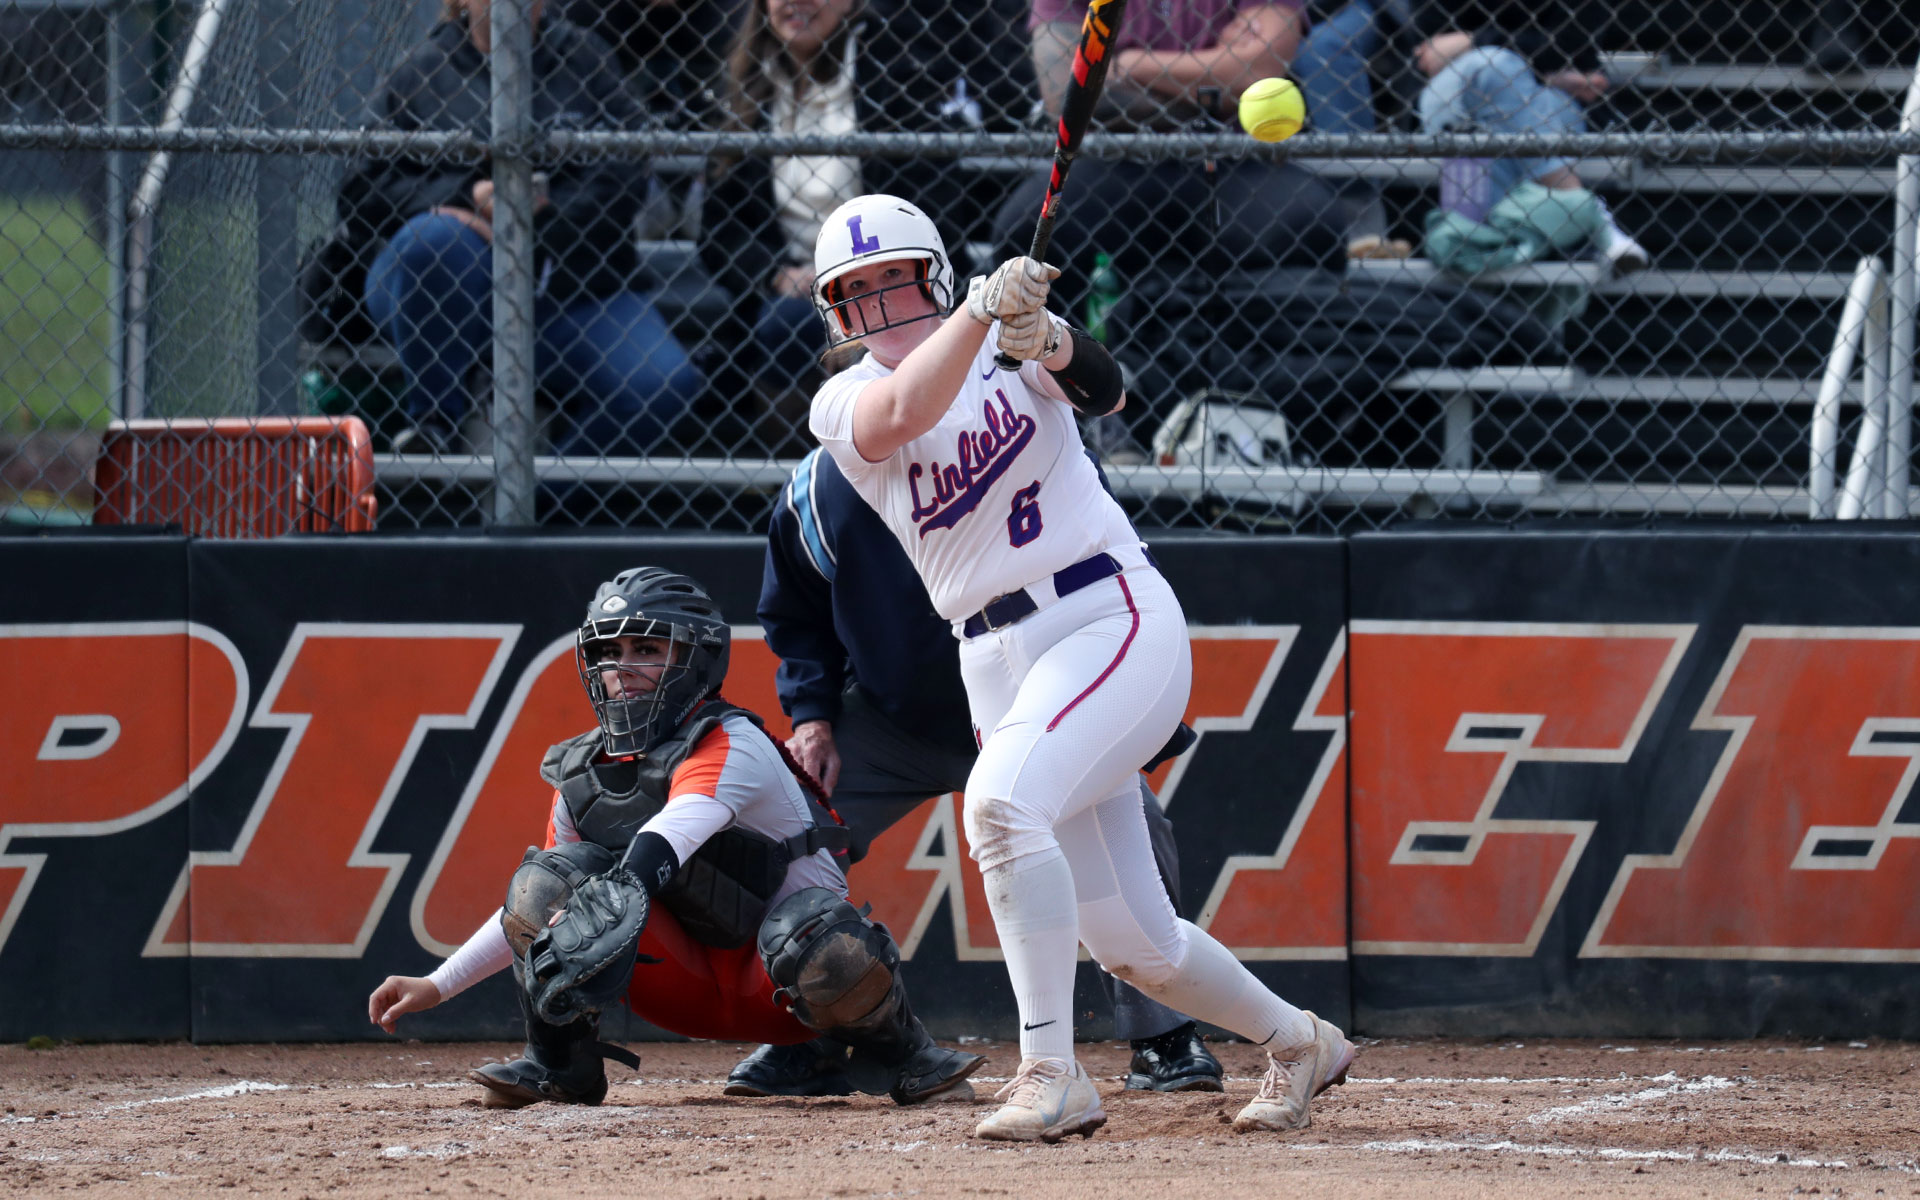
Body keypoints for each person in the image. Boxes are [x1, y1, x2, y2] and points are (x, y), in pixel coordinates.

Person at [805, 193, 1357, 1142]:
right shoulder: (842, 401)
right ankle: (1301, 1040)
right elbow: (906, 408)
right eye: (855, 292)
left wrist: (1049, 336)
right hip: (993, 655)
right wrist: (983, 317)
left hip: (1107, 615)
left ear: (929, 274)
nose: (877, 305)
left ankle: (1051, 1074)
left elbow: (1108, 392)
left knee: (998, 807)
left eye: (893, 278)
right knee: (1136, 943)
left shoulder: (1006, 342)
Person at [366, 566, 984, 1110]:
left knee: (812, 932)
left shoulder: (730, 742)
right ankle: (560, 1065)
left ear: (698, 658)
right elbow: (531, 910)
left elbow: (669, 837)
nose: (623, 669)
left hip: (786, 989)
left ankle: (905, 1055)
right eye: (610, 652)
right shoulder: (582, 770)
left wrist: (613, 890)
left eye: (647, 649)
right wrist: (438, 983)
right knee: (545, 882)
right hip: (677, 985)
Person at [726, 445, 1223, 1098]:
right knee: (787, 830)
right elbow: (795, 615)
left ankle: (1163, 1036)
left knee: (1132, 823)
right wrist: (813, 717)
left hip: (1032, 701)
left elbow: (1106, 576)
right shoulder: (822, 485)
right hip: (891, 717)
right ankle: (813, 1033)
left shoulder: (1025, 431)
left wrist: (1116, 706)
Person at [336, 0, 704, 455]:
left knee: (662, 384)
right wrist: (464, 200)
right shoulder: (425, 69)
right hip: (448, 289)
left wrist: (538, 214)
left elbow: (627, 174)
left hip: (573, 290)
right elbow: (359, 187)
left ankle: (542, 501)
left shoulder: (583, 57)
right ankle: (434, 425)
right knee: (433, 241)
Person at [698, 0, 978, 456]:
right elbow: (718, 233)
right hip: (794, 288)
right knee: (784, 325)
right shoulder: (746, 90)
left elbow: (937, 202)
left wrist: (872, 274)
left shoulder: (894, 71)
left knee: (880, 323)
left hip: (891, 275)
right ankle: (801, 481)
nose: (796, 3)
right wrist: (775, 272)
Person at [996, 0, 1346, 326]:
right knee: (1027, 223)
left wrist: (1124, 64)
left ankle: (1259, 378)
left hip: (1232, 156)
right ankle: (1051, 372)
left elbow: (1257, 71)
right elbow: (1067, 95)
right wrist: (1211, 83)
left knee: (1309, 217)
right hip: (1115, 158)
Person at [1407, 1, 1650, 271]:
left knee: (1525, 96)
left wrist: (1472, 40)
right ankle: (1587, 215)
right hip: (1455, 96)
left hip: (1548, 99)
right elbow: (1426, 52)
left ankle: (1490, 248)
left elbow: (1568, 45)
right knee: (1495, 66)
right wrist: (1539, 69)